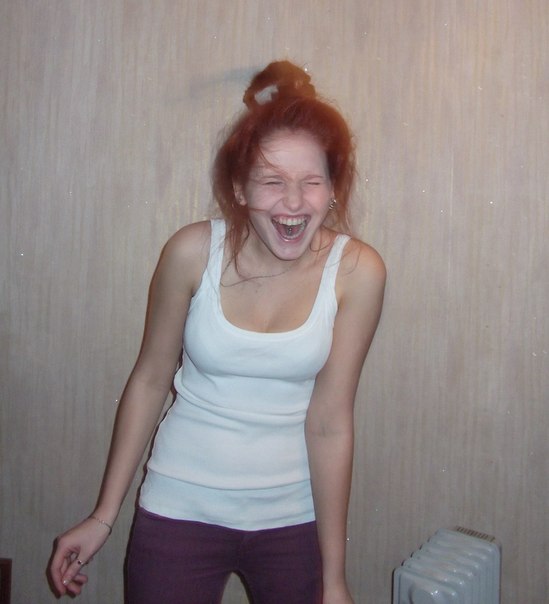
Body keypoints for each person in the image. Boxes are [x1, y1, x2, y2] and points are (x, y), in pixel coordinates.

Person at [48, 60, 386, 604]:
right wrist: (103, 516)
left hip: (293, 518)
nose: (293, 203)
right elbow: (150, 380)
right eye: (272, 182)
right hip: (179, 508)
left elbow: (330, 421)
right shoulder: (191, 252)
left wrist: (333, 578)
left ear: (332, 189)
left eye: (311, 182)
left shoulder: (357, 271)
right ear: (239, 188)